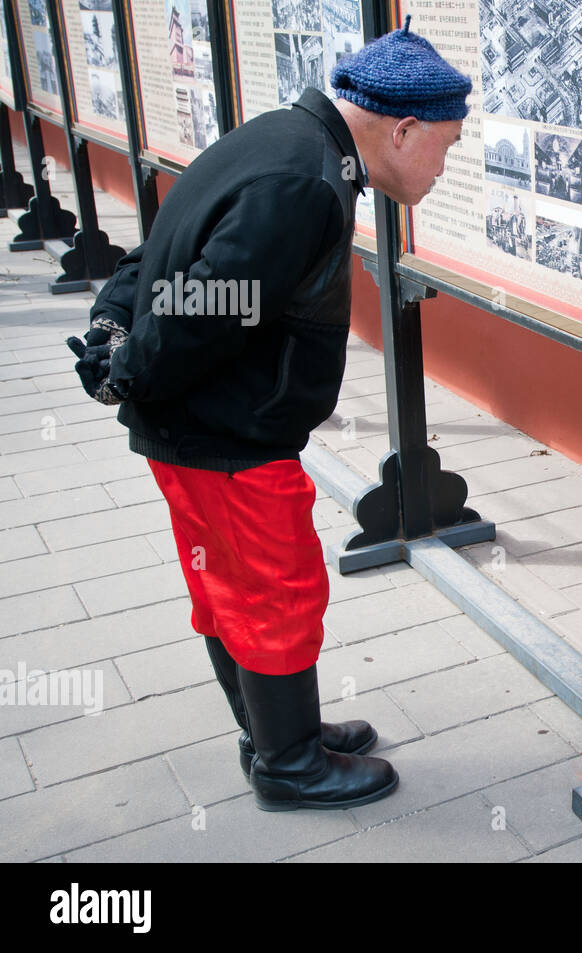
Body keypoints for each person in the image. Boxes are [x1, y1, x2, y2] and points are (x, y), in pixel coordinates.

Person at [65, 17, 471, 812]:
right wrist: (130, 364)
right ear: (404, 128)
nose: (445, 165)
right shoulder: (305, 183)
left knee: (230, 587)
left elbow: (161, 246)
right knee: (275, 590)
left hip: (198, 428)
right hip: (226, 435)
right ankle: (289, 764)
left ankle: (278, 732)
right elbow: (209, 307)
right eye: (448, 145)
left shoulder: (282, 139)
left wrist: (115, 329)